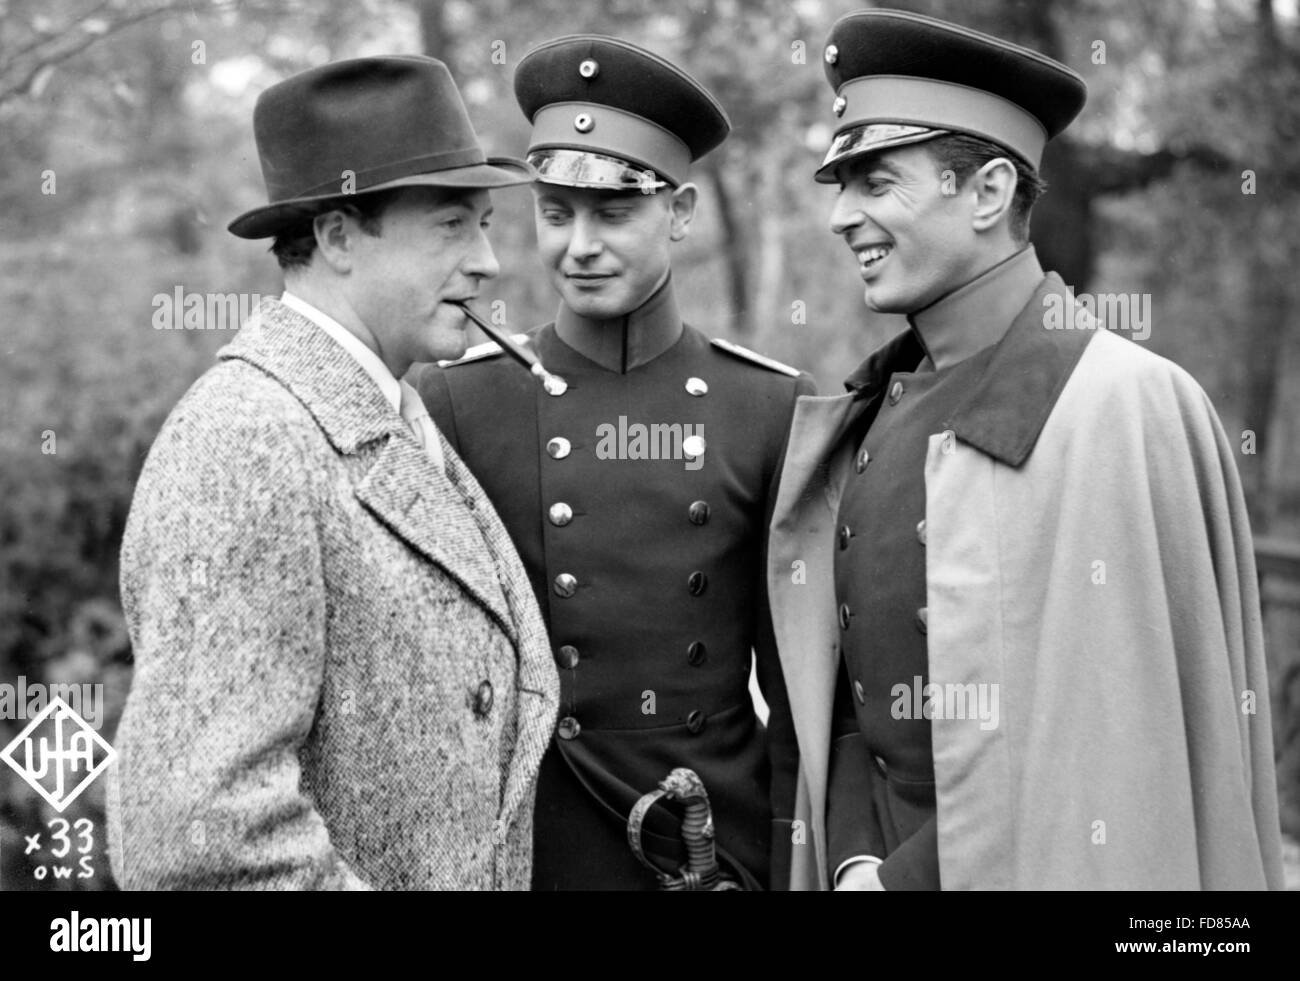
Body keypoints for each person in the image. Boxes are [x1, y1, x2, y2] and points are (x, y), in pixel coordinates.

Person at [768, 9, 1285, 890]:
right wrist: (856, 859)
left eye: (877, 181)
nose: (842, 216)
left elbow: (1118, 750)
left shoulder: (1128, 406)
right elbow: (855, 707)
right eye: (839, 186)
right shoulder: (869, 412)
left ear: (990, 190)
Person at [108, 55, 558, 890]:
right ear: (339, 237)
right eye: (453, 225)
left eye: (486, 225)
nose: (490, 261)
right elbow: (203, 838)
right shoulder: (245, 439)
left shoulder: (388, 412)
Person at [418, 35, 815, 890]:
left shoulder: (768, 408)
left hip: (712, 839)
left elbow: (801, 697)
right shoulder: (460, 402)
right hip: (537, 841)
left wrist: (791, 858)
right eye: (556, 213)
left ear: (679, 211)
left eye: (613, 213)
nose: (579, 246)